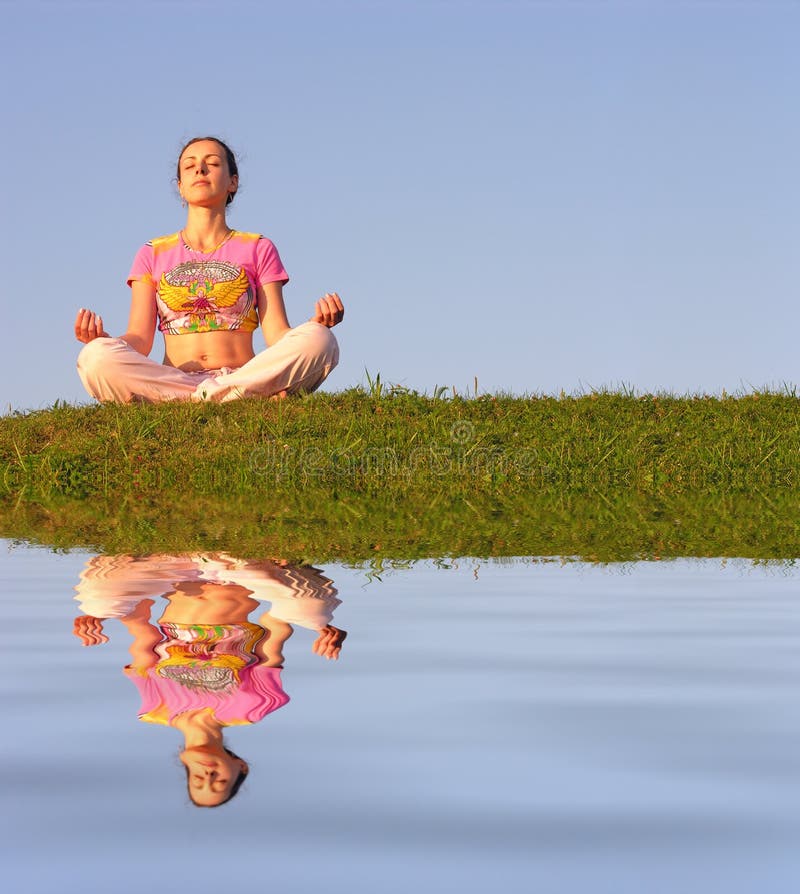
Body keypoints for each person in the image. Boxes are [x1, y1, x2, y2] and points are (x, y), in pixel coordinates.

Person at [75, 136, 344, 403]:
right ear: (180, 187)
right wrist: (106, 342)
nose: (200, 170)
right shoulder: (152, 252)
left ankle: (201, 398)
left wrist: (313, 326)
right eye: (189, 166)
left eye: (212, 163)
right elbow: (140, 338)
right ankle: (234, 397)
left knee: (321, 340)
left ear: (232, 182)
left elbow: (276, 332)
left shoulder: (258, 247)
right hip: (175, 380)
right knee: (94, 357)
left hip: (241, 374)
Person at [73, 552, 347, 807]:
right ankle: (265, 560)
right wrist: (317, 626)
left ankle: (164, 553)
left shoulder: (154, 709)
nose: (208, 776)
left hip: (178, 570)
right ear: (240, 767)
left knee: (98, 603)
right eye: (220, 782)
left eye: (197, 780)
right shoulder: (254, 709)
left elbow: (141, 627)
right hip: (240, 574)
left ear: (185, 765)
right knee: (311, 611)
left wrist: (99, 617)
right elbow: (276, 625)